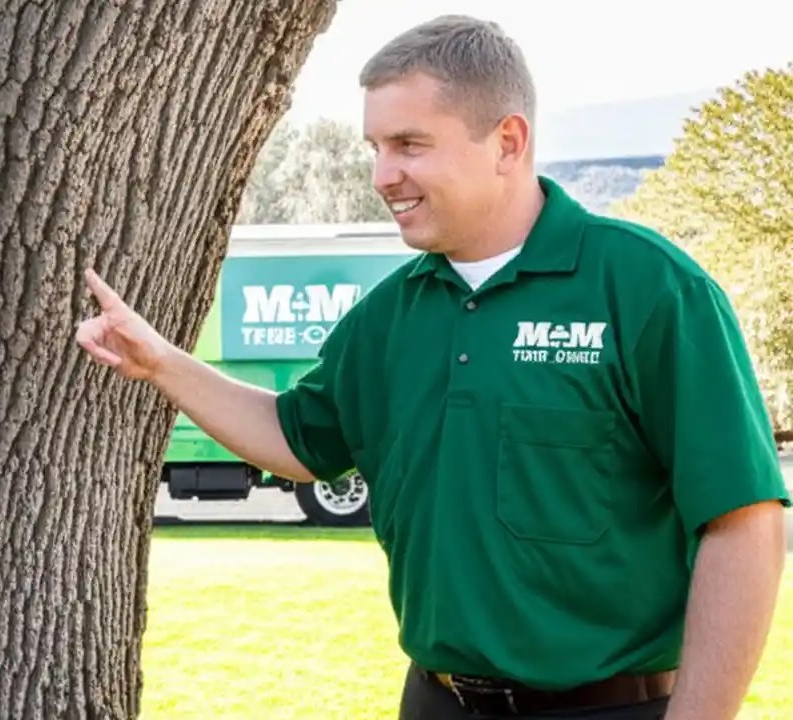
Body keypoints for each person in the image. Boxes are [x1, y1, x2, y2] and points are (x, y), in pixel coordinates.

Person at [76, 14, 788, 720]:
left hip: (607, 709)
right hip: (435, 701)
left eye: (410, 145)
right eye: (375, 148)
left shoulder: (650, 290)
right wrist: (162, 363)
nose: (383, 176)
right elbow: (297, 439)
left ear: (507, 141)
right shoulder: (391, 317)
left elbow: (743, 524)